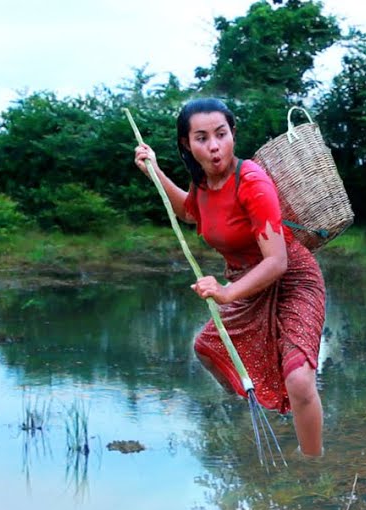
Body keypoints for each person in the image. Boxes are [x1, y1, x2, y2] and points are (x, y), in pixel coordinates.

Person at [133, 98, 326, 458]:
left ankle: (313, 467)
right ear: (187, 145)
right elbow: (190, 212)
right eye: (202, 138)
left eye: (221, 135)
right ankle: (250, 403)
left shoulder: (251, 181)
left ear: (233, 135)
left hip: (291, 281)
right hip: (246, 283)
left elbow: (278, 262)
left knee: (299, 381)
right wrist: (153, 171)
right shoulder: (203, 184)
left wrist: (225, 293)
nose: (214, 146)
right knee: (207, 347)